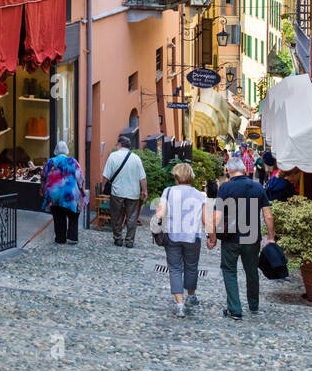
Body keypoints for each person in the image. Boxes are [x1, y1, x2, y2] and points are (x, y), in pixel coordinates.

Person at [211, 156, 275, 320]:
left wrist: (212, 237)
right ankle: (253, 306)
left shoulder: (225, 188)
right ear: (245, 170)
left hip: (230, 238)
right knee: (251, 271)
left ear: (229, 171)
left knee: (229, 271)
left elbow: (216, 217)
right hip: (251, 238)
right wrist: (270, 237)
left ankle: (235, 309)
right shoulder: (257, 187)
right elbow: (268, 216)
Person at [154, 162, 212, 318]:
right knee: (192, 267)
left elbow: (160, 214)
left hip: (173, 235)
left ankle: (180, 305)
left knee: (174, 268)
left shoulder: (168, 191)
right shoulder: (200, 195)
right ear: (191, 177)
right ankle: (191, 296)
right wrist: (212, 237)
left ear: (176, 177)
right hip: (193, 237)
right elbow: (206, 219)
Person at [102, 135, 147, 247]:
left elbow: (106, 175)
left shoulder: (113, 156)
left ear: (119, 145)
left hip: (117, 192)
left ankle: (118, 238)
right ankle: (129, 241)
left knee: (116, 216)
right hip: (133, 193)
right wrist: (144, 191)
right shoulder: (136, 158)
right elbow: (143, 178)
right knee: (132, 217)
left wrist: (103, 186)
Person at [42, 141, 86, 245]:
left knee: (58, 216)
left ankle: (60, 238)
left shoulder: (50, 162)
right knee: (74, 214)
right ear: (66, 150)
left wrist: (43, 190)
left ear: (56, 150)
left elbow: (43, 178)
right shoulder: (73, 161)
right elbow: (80, 177)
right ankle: (72, 236)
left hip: (54, 195)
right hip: (70, 195)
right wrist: (81, 188)